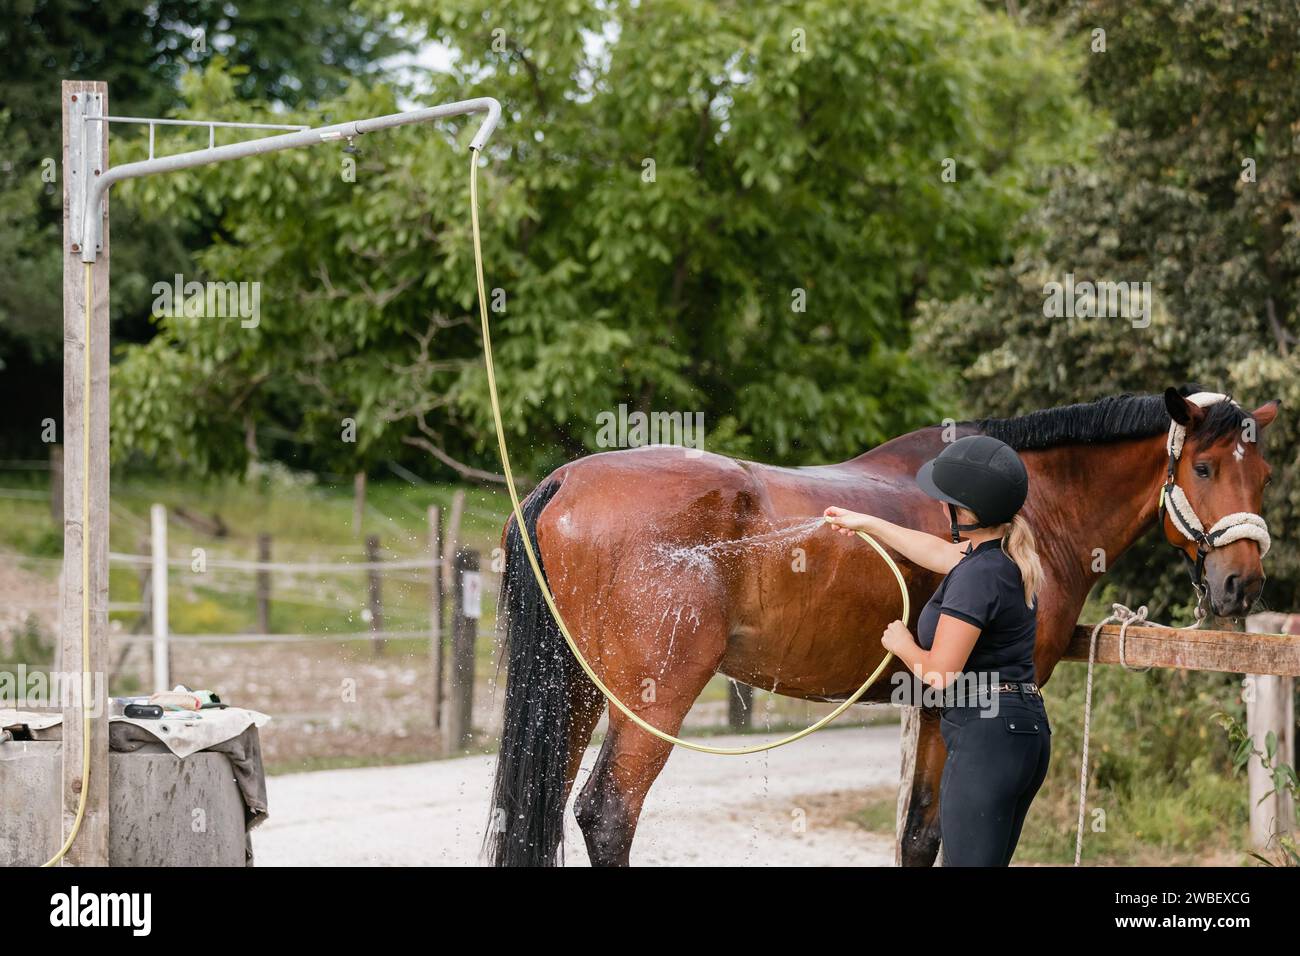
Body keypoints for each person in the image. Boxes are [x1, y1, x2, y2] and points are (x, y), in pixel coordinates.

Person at [824, 434, 1049, 866]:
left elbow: (940, 674)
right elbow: (935, 551)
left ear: (964, 512)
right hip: (1022, 734)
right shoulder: (1007, 559)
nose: (940, 506)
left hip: (987, 737)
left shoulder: (977, 576)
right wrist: (866, 522)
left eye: (946, 501)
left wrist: (903, 644)